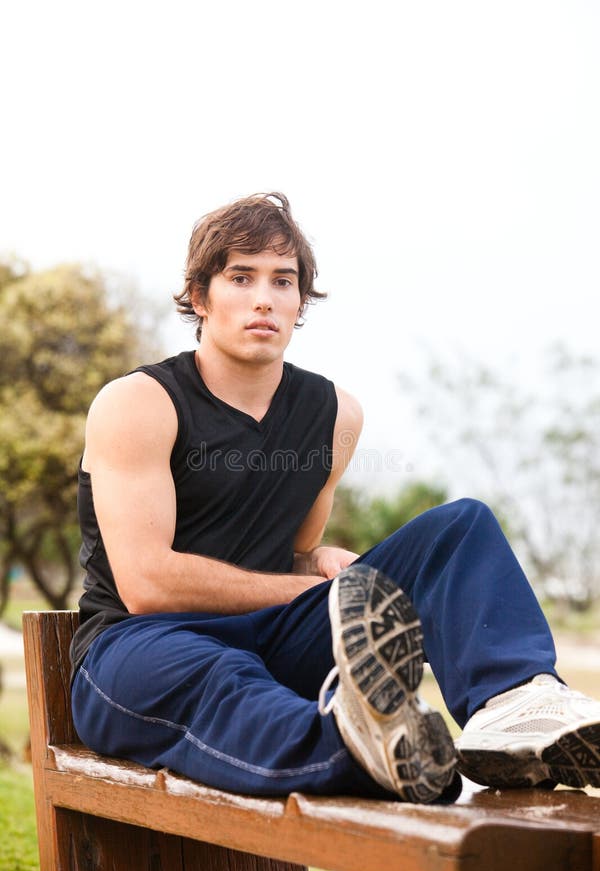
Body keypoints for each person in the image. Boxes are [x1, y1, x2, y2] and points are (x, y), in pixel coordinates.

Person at [70, 192, 600, 805]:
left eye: (283, 280)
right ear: (199, 296)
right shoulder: (137, 404)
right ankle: (360, 744)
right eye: (240, 277)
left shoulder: (334, 416)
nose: (264, 298)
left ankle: (515, 707)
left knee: (459, 529)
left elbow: (291, 554)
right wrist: (317, 591)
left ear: (301, 302)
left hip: (271, 634)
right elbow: (148, 585)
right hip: (139, 647)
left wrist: (319, 561)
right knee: (217, 674)